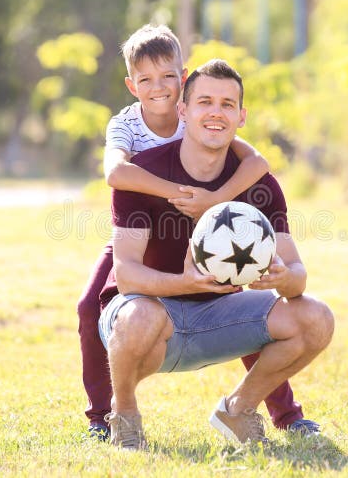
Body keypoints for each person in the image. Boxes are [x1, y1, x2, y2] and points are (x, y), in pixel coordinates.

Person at [77, 25, 319, 441]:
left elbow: (256, 160)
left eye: (169, 77)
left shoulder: (211, 119)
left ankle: (279, 412)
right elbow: (117, 174)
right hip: (144, 224)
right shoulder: (128, 127)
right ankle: (106, 416)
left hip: (212, 228)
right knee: (91, 305)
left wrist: (216, 198)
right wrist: (179, 194)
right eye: (147, 79)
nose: (160, 88)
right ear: (131, 85)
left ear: (181, 76)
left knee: (242, 299)